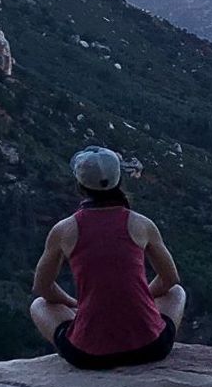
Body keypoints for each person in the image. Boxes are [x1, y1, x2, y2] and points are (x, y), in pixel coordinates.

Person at [29, 146, 187, 369]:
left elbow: (42, 288)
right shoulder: (141, 223)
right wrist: (141, 298)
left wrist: (76, 304)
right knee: (176, 293)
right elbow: (170, 279)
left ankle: (85, 330)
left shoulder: (64, 230)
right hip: (152, 347)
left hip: (88, 356)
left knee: (39, 306)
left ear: (80, 186)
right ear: (119, 180)